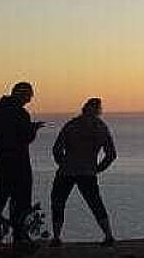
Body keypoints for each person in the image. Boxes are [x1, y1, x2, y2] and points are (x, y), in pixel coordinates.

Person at [0, 81, 45, 245]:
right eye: (29, 95)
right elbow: (26, 137)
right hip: (19, 163)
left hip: (0, 161)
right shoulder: (21, 113)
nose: (30, 99)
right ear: (21, 94)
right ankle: (19, 236)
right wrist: (33, 129)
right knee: (20, 200)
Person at [50, 97, 117, 246]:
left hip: (66, 171)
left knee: (58, 202)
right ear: (99, 110)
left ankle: (56, 237)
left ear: (84, 108)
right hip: (87, 172)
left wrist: (63, 163)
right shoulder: (101, 128)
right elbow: (111, 154)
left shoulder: (71, 125)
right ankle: (108, 235)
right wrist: (98, 168)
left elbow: (57, 149)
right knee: (95, 203)